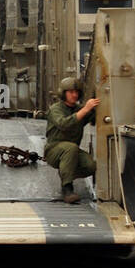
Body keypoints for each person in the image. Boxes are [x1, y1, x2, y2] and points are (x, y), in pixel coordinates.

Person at [44, 76, 98, 204]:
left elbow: (92, 118)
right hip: (53, 150)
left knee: (90, 166)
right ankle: (67, 189)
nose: (74, 95)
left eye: (77, 92)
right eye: (71, 92)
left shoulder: (79, 109)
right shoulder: (56, 109)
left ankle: (65, 173)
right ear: (63, 93)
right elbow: (64, 124)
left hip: (71, 152)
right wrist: (86, 109)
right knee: (71, 147)